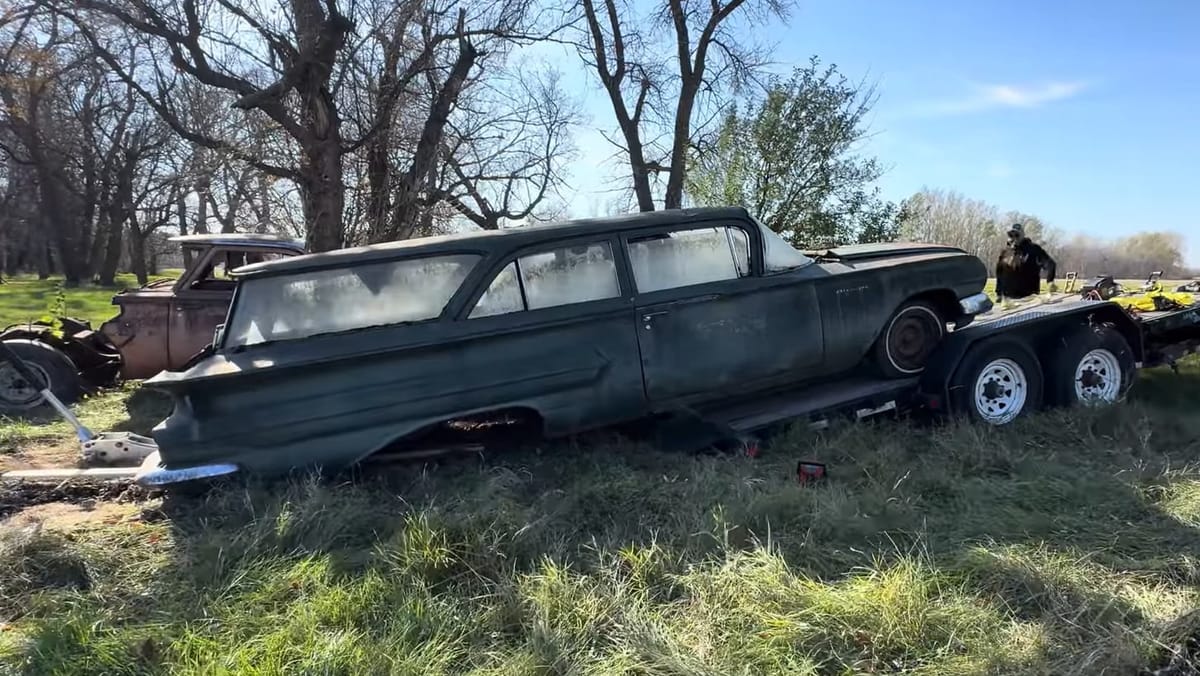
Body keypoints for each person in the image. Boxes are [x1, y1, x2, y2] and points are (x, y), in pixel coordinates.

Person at [995, 223, 1058, 306]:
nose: (1014, 238)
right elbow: (999, 273)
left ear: (1023, 235)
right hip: (1009, 301)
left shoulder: (1033, 249)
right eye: (1011, 235)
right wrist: (999, 293)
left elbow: (1050, 263)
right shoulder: (1005, 252)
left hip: (1029, 299)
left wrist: (1050, 281)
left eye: (1017, 235)